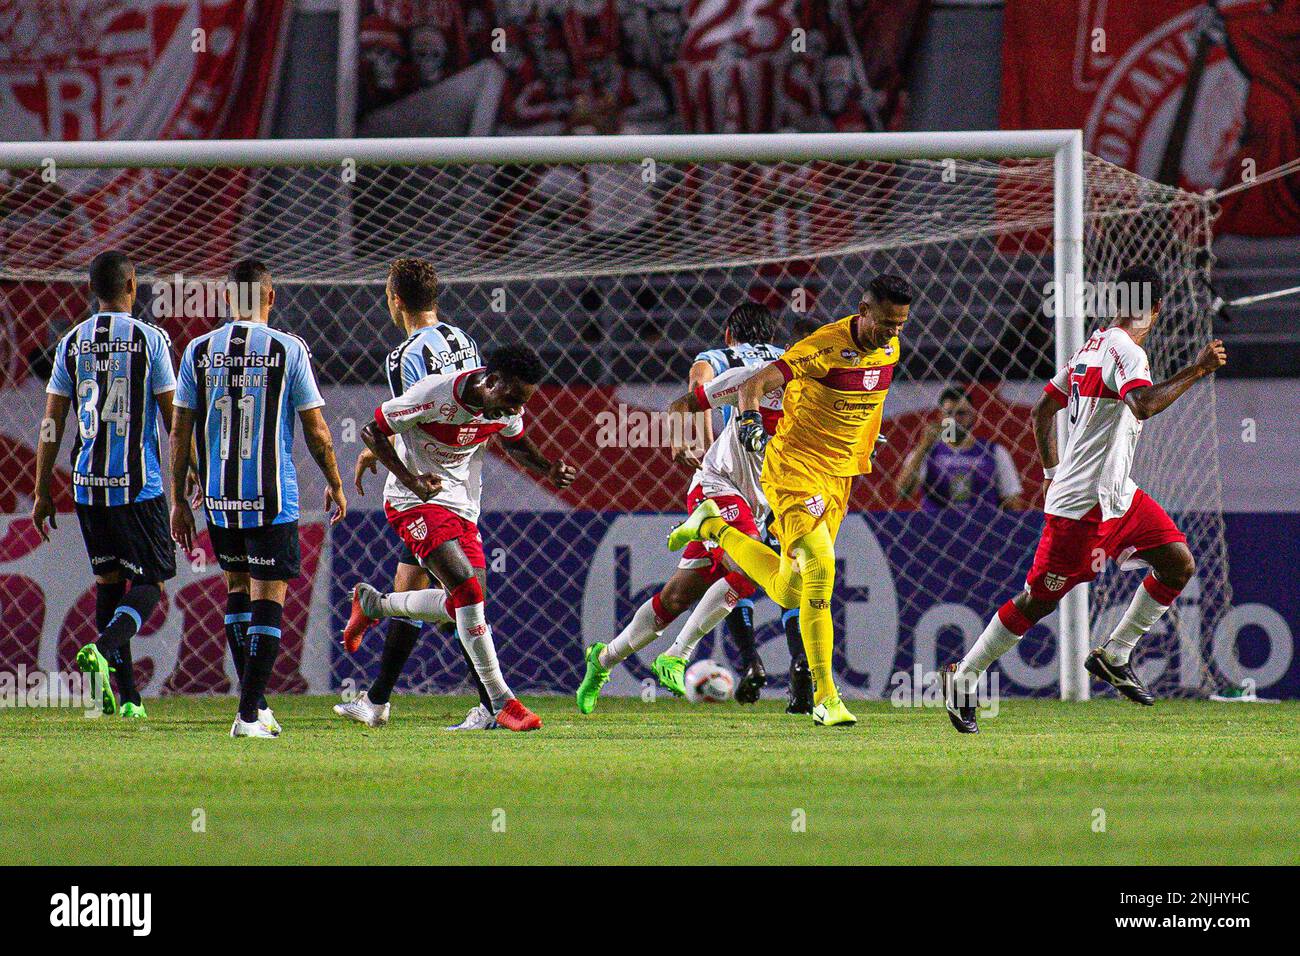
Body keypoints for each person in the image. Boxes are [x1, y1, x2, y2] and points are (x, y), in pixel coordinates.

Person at [942, 265, 1227, 733]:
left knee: (1178, 563)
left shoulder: (1092, 347)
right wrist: (1197, 368)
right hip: (1080, 508)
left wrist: (1052, 471)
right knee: (1037, 601)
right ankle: (964, 677)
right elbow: (1144, 405)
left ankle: (1115, 654)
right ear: (1156, 309)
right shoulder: (1127, 352)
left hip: (1117, 495)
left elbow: (1042, 409)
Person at [668, 275, 913, 726]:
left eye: (900, 325)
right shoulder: (821, 347)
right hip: (794, 469)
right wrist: (747, 423)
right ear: (863, 310)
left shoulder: (890, 348)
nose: (892, 333)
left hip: (839, 479)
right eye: (885, 323)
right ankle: (826, 697)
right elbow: (752, 386)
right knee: (821, 568)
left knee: (789, 588)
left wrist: (869, 439)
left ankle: (711, 526)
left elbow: (875, 395)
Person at [341, 344, 576, 732]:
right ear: (491, 381)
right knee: (467, 592)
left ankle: (376, 606)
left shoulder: (507, 406)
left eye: (523, 402)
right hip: (412, 503)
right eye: (513, 398)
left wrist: (548, 469)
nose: (516, 409)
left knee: (466, 607)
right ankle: (502, 702)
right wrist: (411, 480)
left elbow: (515, 441)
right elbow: (372, 430)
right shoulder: (435, 394)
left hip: (462, 506)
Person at [170, 259, 348, 738]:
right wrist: (334, 479)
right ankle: (246, 715)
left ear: (230, 300)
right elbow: (316, 429)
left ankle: (258, 703)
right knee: (269, 596)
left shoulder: (199, 350)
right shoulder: (288, 349)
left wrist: (177, 499)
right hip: (270, 496)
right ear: (271, 298)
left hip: (219, 496)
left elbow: (179, 429)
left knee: (236, 591)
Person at [339, 257, 498, 731]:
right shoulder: (463, 339)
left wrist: (386, 456)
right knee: (416, 584)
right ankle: (377, 702)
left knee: (460, 596)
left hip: (431, 489)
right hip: (467, 476)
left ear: (395, 300)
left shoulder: (404, 355)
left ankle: (490, 706)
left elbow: (418, 414)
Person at [575, 352, 782, 713]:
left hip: (756, 505)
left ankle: (603, 659)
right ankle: (677, 655)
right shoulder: (752, 380)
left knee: (674, 600)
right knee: (750, 569)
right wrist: (679, 445)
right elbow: (680, 406)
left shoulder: (825, 402)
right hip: (718, 485)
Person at [32, 250, 178, 717]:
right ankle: (104, 645)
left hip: (87, 484)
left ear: (92, 291)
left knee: (109, 583)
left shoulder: (71, 344)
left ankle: (125, 697)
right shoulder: (151, 340)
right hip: (138, 486)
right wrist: (189, 470)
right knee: (150, 583)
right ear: (133, 286)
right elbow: (173, 417)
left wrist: (41, 489)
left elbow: (51, 423)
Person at [895, 385, 1026, 512]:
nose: (954, 419)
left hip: (983, 528)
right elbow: (903, 492)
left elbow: (1012, 501)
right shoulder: (927, 451)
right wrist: (923, 446)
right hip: (936, 529)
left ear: (973, 416)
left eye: (961, 413)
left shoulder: (995, 452)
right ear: (940, 417)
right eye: (949, 413)